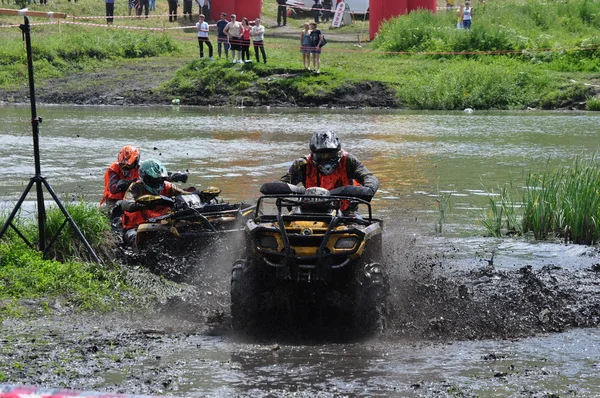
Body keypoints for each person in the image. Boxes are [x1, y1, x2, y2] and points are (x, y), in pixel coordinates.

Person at [280, 131, 379, 215]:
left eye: (332, 155)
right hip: (310, 207)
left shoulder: (348, 161)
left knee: (358, 228)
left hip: (345, 210)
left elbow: (368, 176)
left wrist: (368, 189)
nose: (326, 160)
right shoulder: (302, 164)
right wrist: (280, 189)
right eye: (321, 156)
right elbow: (284, 182)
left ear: (339, 153)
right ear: (313, 154)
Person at [120, 159, 189, 249]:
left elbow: (186, 195)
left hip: (163, 224)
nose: (158, 183)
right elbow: (125, 203)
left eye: (160, 180)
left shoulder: (168, 187)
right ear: (145, 178)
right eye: (154, 180)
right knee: (135, 241)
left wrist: (201, 196)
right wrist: (141, 205)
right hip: (136, 227)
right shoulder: (136, 187)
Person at [100, 145, 140, 223]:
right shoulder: (113, 169)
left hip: (134, 198)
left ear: (136, 161)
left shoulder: (141, 168)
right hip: (115, 200)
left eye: (128, 165)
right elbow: (113, 188)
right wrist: (128, 184)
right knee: (116, 215)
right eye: (122, 165)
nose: (125, 168)